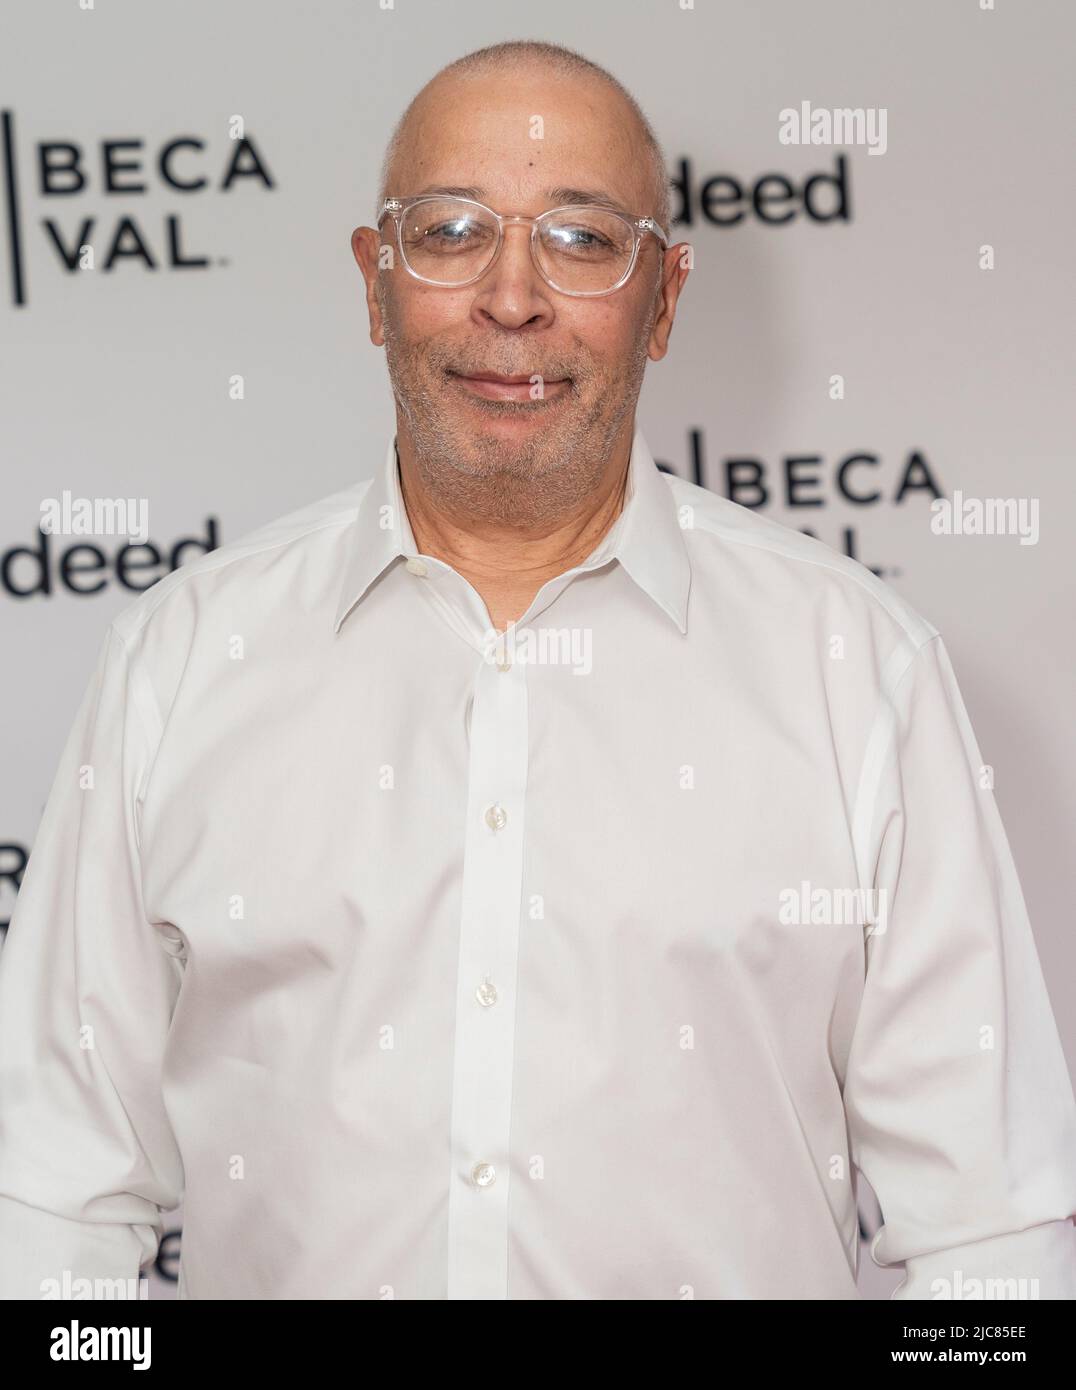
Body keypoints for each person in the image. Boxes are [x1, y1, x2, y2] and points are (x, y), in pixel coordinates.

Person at [1, 39, 1073, 1301]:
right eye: (451, 231)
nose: (511, 299)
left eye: (579, 239)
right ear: (373, 278)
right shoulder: (181, 662)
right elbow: (49, 1206)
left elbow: (990, 1243)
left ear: (665, 298)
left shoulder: (855, 670)